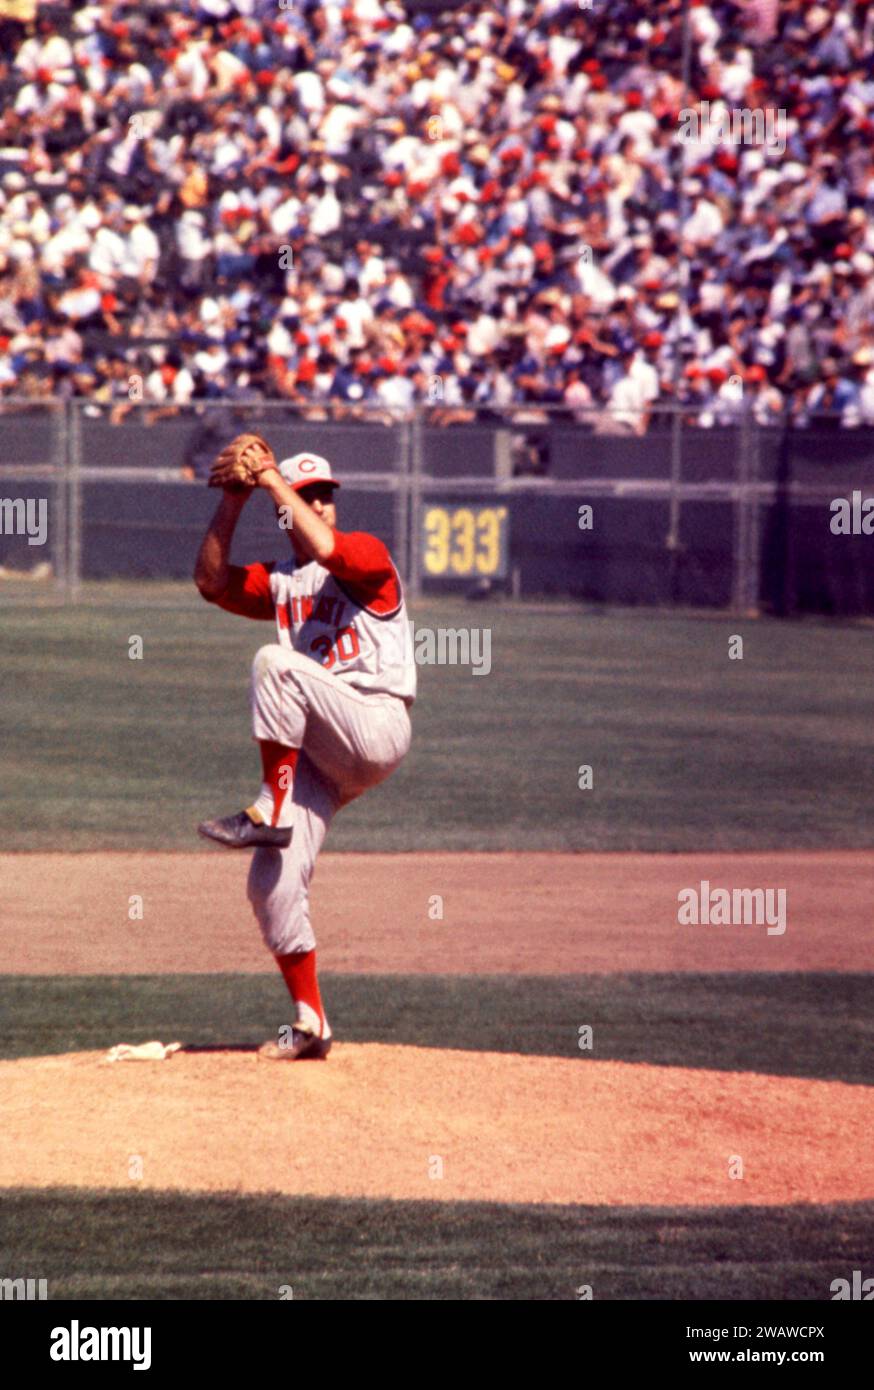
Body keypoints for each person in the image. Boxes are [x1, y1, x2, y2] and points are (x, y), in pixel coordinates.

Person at [193, 446, 416, 1060]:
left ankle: (270, 805)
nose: (320, 502)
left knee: (275, 663)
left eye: (325, 493)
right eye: (307, 494)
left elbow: (329, 551)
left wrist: (270, 479)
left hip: (374, 723)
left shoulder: (366, 555)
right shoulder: (283, 581)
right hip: (324, 753)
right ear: (283, 513)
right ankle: (310, 1019)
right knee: (271, 883)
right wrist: (234, 500)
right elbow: (212, 583)